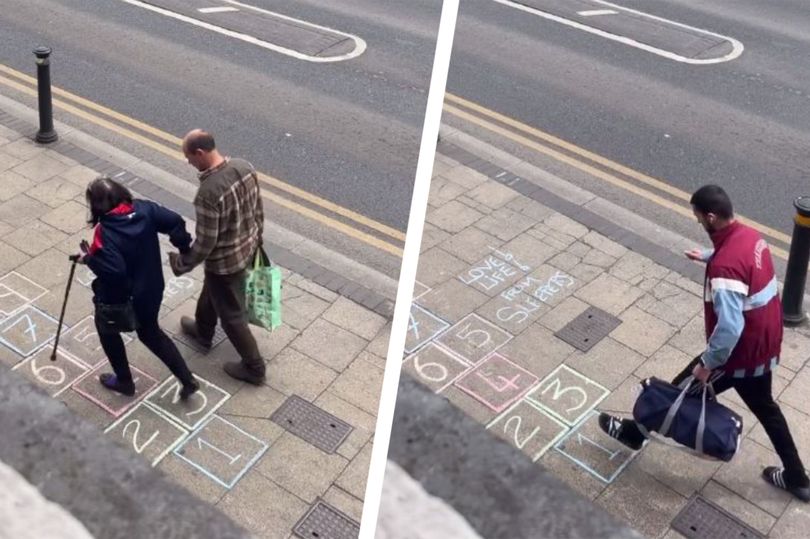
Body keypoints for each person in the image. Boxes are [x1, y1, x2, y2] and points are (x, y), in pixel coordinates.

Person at [599, 185, 810, 502]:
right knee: (767, 410)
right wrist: (710, 256)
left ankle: (634, 434)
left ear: (711, 217)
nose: (699, 223)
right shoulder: (752, 237)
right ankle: (797, 478)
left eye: (699, 219)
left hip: (736, 357)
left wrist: (706, 365)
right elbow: (742, 264)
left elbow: (728, 328)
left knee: (680, 389)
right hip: (764, 346)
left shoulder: (725, 270)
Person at [79, 177, 199, 399]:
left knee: (107, 330)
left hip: (121, 297)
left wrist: (89, 259)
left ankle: (124, 381)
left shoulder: (105, 232)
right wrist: (183, 246)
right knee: (150, 332)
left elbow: (114, 272)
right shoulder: (145, 209)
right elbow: (174, 222)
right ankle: (186, 378)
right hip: (151, 289)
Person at [169, 129, 266, 385]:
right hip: (247, 245)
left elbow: (206, 241)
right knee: (211, 290)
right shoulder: (244, 167)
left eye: (189, 158)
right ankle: (203, 331)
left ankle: (254, 368)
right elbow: (258, 208)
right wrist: (258, 238)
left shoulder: (208, 194)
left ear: (200, 153)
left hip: (225, 263)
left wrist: (183, 263)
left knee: (232, 315)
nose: (189, 163)